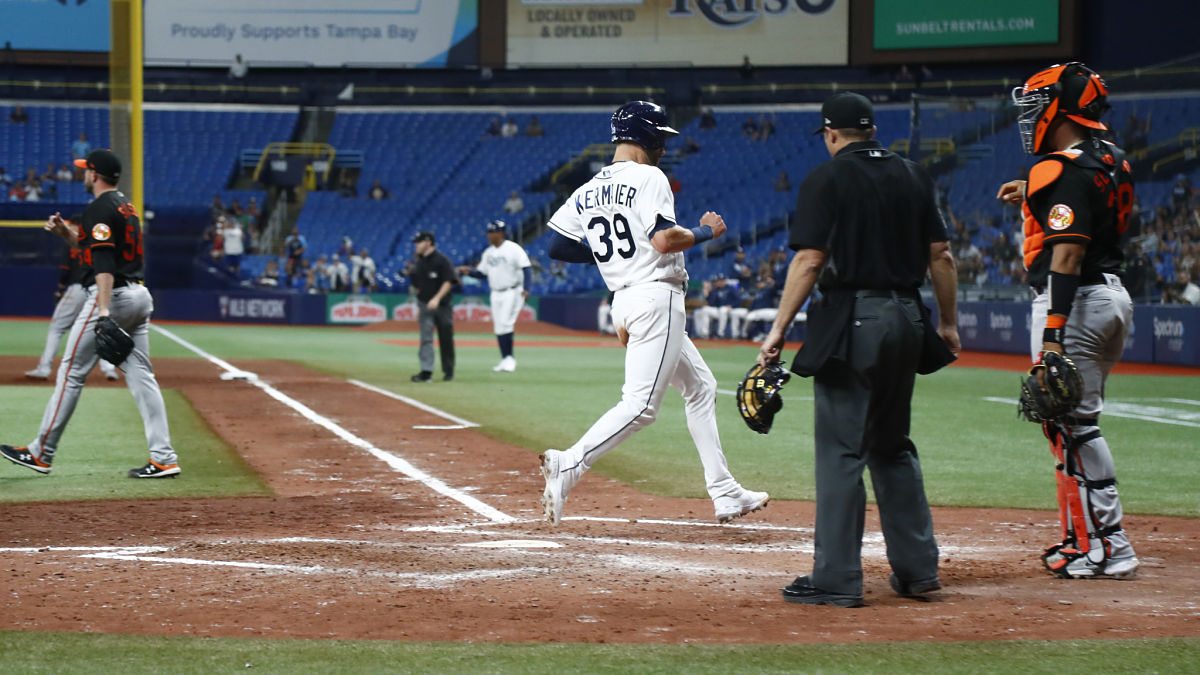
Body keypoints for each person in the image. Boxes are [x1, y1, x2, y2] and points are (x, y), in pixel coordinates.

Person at [757, 92, 960, 608]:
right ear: (870, 131)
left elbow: (809, 259)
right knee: (892, 445)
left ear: (831, 134)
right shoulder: (915, 174)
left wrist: (778, 329)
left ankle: (837, 578)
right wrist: (949, 322)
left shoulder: (827, 177)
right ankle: (918, 572)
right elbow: (941, 254)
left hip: (856, 320)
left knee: (842, 450)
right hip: (909, 317)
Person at [540, 100, 769, 526]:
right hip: (655, 298)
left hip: (625, 301)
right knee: (641, 406)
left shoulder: (588, 188)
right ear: (644, 137)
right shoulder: (649, 176)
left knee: (701, 387)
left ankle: (724, 491)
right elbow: (664, 241)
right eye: (660, 138)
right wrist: (706, 231)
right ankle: (569, 464)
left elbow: (555, 245)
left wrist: (612, 261)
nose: (663, 147)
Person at [996, 62, 1139, 580]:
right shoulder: (1113, 160)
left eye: (1036, 104)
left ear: (1060, 107)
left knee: (1074, 427)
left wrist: (1053, 332)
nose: (1029, 115)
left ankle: (1108, 543)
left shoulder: (1056, 168)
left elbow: (1068, 256)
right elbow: (1087, 206)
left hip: (1074, 302)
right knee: (1069, 424)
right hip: (1111, 297)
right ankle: (1084, 538)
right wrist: (1030, 188)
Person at [2, 149, 181, 479]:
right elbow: (93, 250)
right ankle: (164, 457)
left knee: (71, 371)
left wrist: (102, 312)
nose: (83, 174)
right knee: (142, 375)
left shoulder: (98, 208)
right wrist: (65, 234)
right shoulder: (125, 207)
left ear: (95, 175)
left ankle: (41, 452)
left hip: (113, 297)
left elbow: (103, 264)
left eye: (86, 170)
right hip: (139, 295)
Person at [25, 218, 119, 382]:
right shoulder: (96, 241)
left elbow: (65, 271)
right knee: (100, 329)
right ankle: (109, 368)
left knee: (57, 328)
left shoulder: (72, 243)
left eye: (72, 224)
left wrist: (60, 290)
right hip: (97, 288)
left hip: (77, 288)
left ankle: (44, 368)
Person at [459, 220, 532, 372]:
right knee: (499, 326)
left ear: (501, 233)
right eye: (488, 232)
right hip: (496, 292)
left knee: (505, 323)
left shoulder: (513, 248)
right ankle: (505, 358)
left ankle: (510, 359)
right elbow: (481, 273)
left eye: (492, 232)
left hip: (512, 290)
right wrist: (468, 271)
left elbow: (526, 268)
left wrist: (527, 288)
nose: (489, 235)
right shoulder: (488, 253)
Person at [407, 231, 458, 382]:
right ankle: (426, 371)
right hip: (425, 306)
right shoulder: (419, 262)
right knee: (426, 339)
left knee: (446, 339)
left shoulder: (442, 261)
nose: (416, 245)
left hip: (443, 306)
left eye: (419, 242)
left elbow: (448, 282)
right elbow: (417, 284)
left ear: (428, 242)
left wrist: (436, 298)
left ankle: (448, 371)